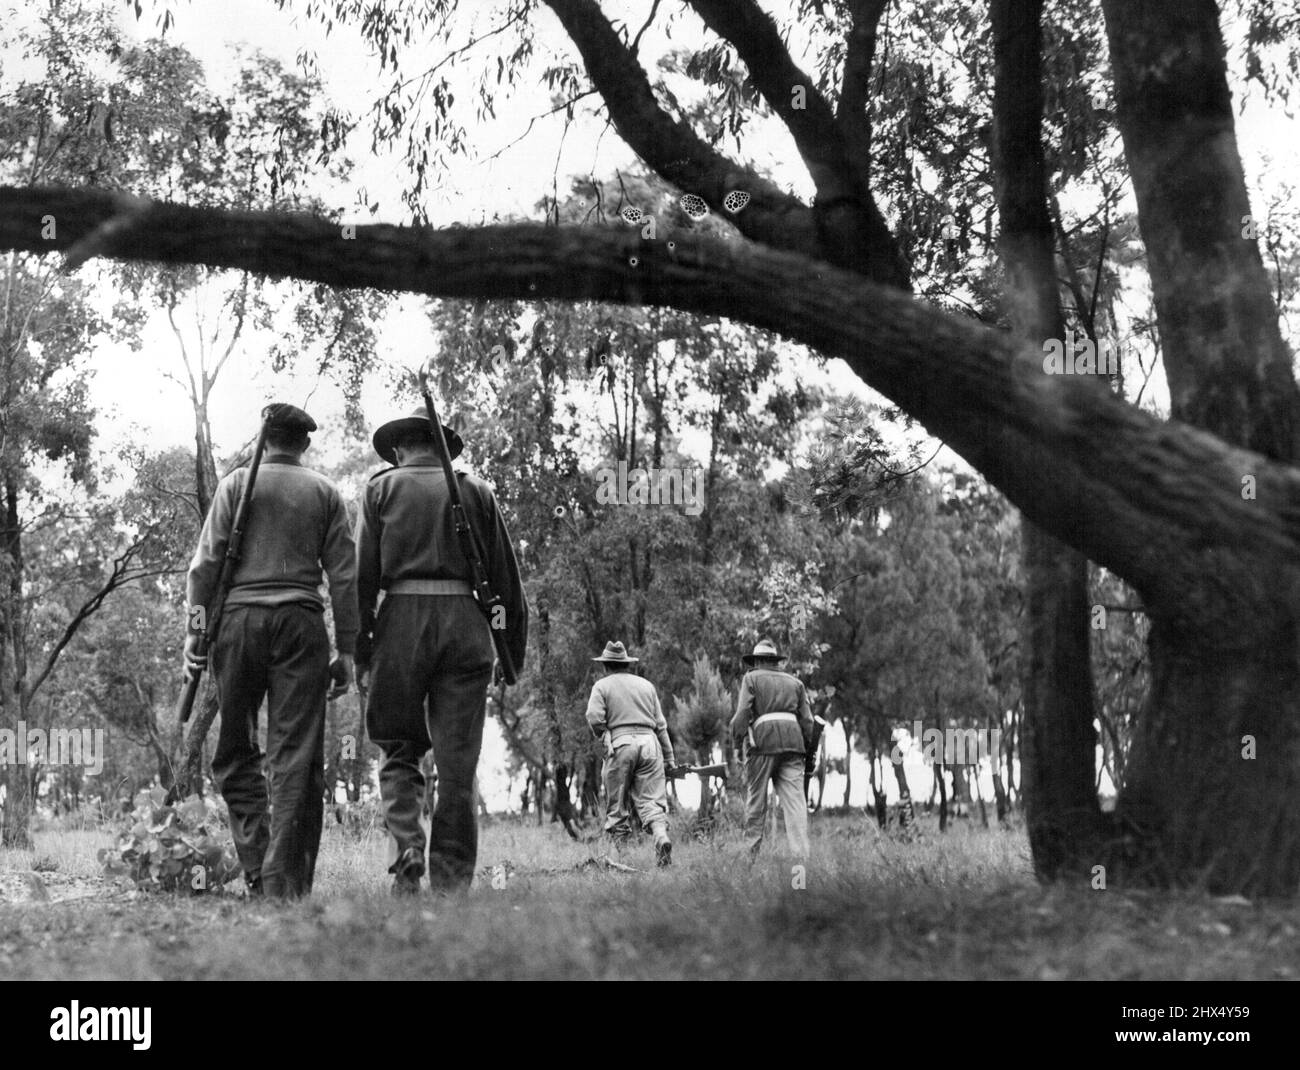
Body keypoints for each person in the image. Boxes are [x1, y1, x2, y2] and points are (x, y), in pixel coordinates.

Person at [184, 403, 357, 898]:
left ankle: (258, 869)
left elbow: (203, 570)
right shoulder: (324, 491)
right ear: (304, 445)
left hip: (239, 626)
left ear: (264, 436)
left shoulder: (236, 485)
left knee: (235, 751)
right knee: (296, 757)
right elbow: (344, 575)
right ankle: (286, 882)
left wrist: (195, 635)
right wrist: (345, 650)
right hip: (302, 627)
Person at [356, 405, 527, 895]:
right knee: (457, 765)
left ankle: (407, 844)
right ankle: (451, 886)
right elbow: (507, 582)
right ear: (440, 447)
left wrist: (360, 648)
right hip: (466, 627)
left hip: (401, 624)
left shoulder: (380, 489)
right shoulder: (476, 490)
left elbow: (363, 577)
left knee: (398, 746)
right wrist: (509, 651)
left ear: (404, 446)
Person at [585, 641, 676, 867]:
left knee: (616, 805)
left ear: (606, 665)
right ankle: (661, 836)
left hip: (621, 744)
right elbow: (661, 725)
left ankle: (624, 859)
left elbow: (594, 716)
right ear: (627, 664)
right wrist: (670, 758)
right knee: (652, 801)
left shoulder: (601, 686)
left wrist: (603, 733)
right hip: (650, 743)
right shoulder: (647, 686)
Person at [730, 639, 814, 858]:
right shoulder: (796, 683)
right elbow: (808, 722)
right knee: (796, 805)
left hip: (762, 744)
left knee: (756, 802)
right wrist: (807, 750)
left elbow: (742, 715)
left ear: (757, 661)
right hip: (794, 745)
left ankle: (749, 860)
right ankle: (801, 860)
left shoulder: (751, 678)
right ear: (775, 661)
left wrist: (737, 745)